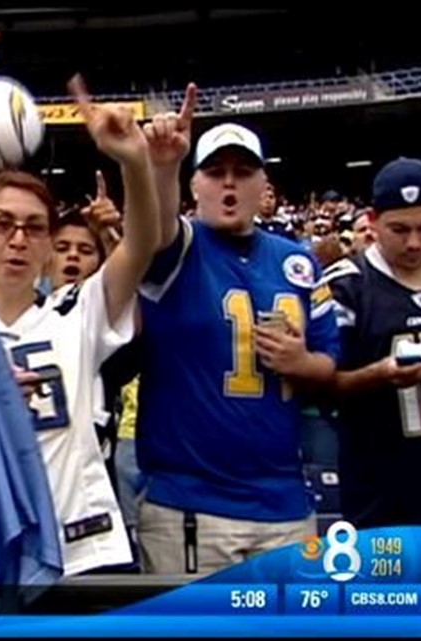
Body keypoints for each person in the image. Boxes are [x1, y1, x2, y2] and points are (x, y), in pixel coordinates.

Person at [0, 74, 163, 577]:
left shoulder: (78, 313)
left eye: (35, 227)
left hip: (85, 550)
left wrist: (133, 159)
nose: (18, 240)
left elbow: (142, 244)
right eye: (1, 224)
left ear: (49, 247)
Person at [135, 90, 340, 575]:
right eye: (215, 172)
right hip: (191, 505)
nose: (229, 184)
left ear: (265, 185)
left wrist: (301, 363)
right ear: (195, 185)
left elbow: (330, 360)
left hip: (286, 506)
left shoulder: (298, 262)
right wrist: (163, 168)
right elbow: (157, 229)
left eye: (243, 172)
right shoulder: (177, 249)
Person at [329, 158, 421, 528]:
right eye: (399, 229)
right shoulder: (347, 285)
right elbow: (321, 388)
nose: (414, 243)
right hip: (379, 497)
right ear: (372, 220)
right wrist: (378, 375)